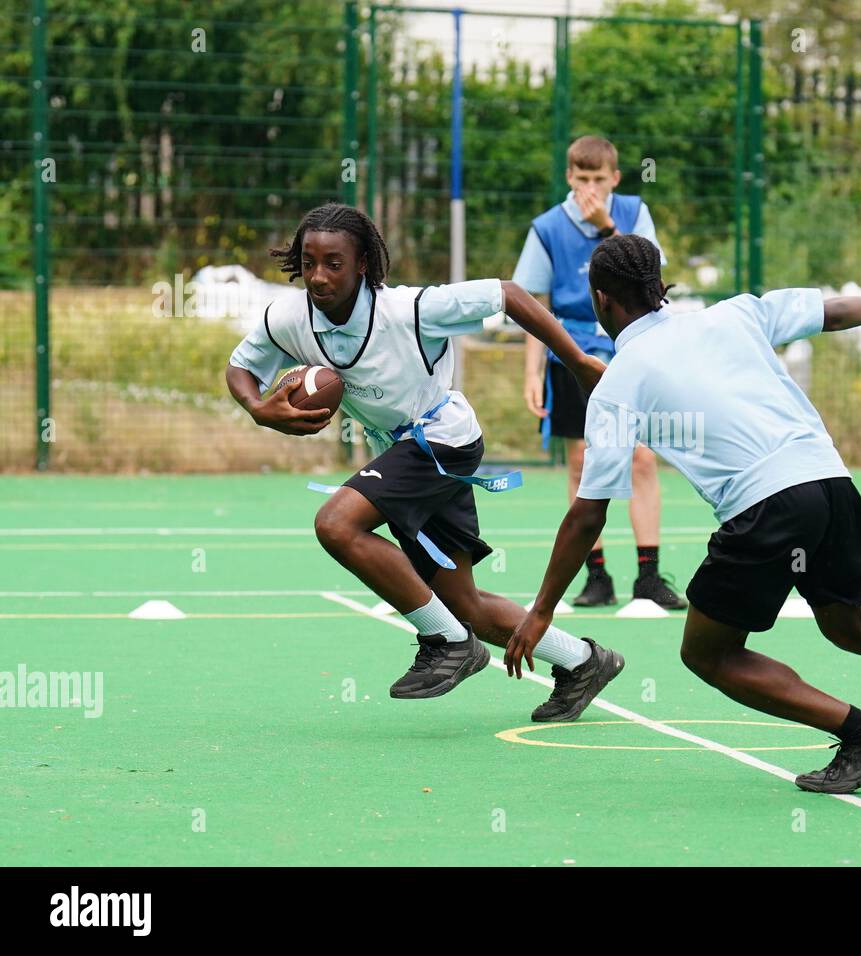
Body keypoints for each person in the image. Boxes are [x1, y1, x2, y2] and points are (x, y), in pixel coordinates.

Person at [505, 234, 861, 793]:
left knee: (708, 653)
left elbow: (587, 515)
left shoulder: (618, 385)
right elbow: (830, 311)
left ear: (602, 300)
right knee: (852, 626)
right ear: (658, 284)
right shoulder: (733, 315)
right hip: (830, 482)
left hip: (765, 506)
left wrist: (541, 613)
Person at [226, 202, 623, 722]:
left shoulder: (413, 309)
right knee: (467, 606)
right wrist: (259, 410)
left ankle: (445, 642)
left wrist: (574, 361)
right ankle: (584, 662)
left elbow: (508, 294)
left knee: (336, 524)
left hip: (443, 441)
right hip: (401, 454)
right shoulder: (289, 318)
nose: (319, 276)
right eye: (310, 261)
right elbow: (241, 366)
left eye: (334, 263)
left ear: (364, 263)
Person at [513, 135, 685, 610]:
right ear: (569, 177)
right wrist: (532, 372)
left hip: (632, 348)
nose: (590, 187)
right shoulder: (547, 228)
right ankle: (597, 575)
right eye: (581, 178)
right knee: (581, 462)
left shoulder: (632, 214)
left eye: (599, 179)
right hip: (571, 352)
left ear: (615, 178)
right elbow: (533, 304)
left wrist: (607, 226)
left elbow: (647, 276)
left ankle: (649, 575)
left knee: (641, 457)